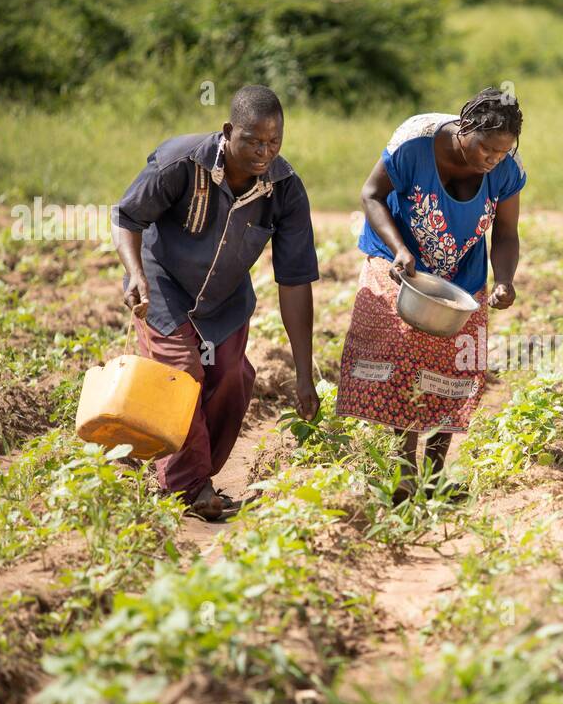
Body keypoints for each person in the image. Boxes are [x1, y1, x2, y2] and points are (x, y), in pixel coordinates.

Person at [110, 84, 320, 521]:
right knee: (181, 377)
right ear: (228, 131)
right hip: (164, 289)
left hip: (224, 302)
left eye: (274, 142)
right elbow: (127, 216)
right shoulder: (182, 164)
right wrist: (135, 274)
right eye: (253, 140)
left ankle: (192, 474)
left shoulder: (285, 188)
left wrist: (305, 373)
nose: (265, 152)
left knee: (232, 378)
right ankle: (190, 488)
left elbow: (295, 281)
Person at [337, 87, 525, 502]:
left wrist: (504, 279)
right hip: (399, 259)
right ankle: (403, 470)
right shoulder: (416, 143)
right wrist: (401, 250)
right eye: (486, 148)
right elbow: (371, 195)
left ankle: (436, 474)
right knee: (403, 354)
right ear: (466, 129)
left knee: (456, 366)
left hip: (462, 272)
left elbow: (506, 233)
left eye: (501, 152)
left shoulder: (507, 169)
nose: (493, 158)